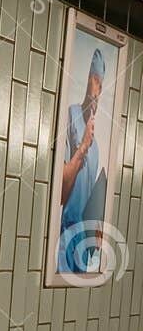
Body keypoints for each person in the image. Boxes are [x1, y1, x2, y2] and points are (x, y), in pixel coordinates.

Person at [58, 46, 107, 274]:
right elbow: (61, 192)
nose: (97, 91)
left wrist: (96, 231)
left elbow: (89, 206)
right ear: (87, 81)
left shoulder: (96, 148)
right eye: (94, 81)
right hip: (64, 241)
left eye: (101, 84)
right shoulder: (70, 115)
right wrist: (83, 146)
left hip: (83, 249)